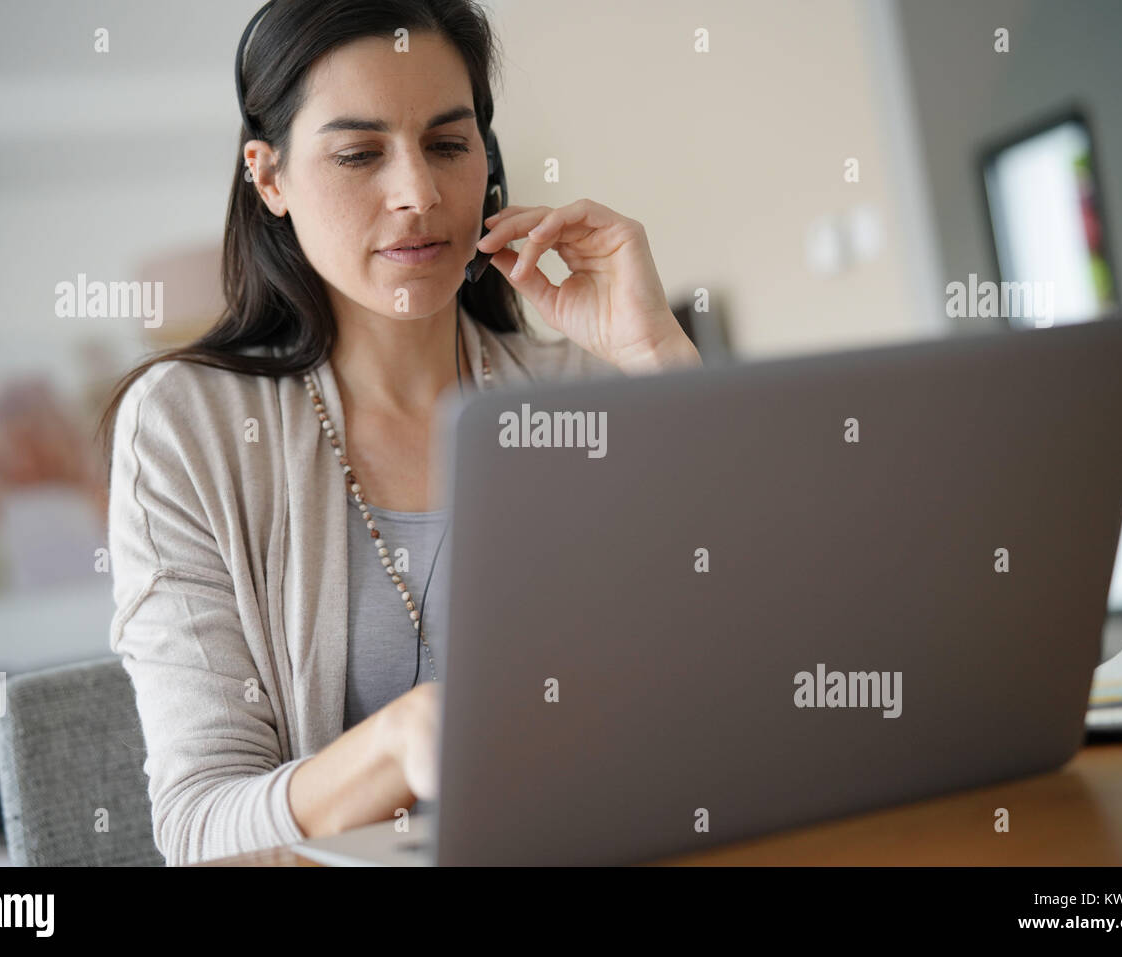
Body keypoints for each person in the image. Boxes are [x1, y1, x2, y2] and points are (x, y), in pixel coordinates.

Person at [97, 0, 700, 866]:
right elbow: (198, 828)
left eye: (449, 145)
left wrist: (653, 352)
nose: (418, 193)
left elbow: (760, 664)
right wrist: (399, 741)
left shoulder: (585, 392)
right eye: (358, 153)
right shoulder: (187, 427)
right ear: (268, 179)